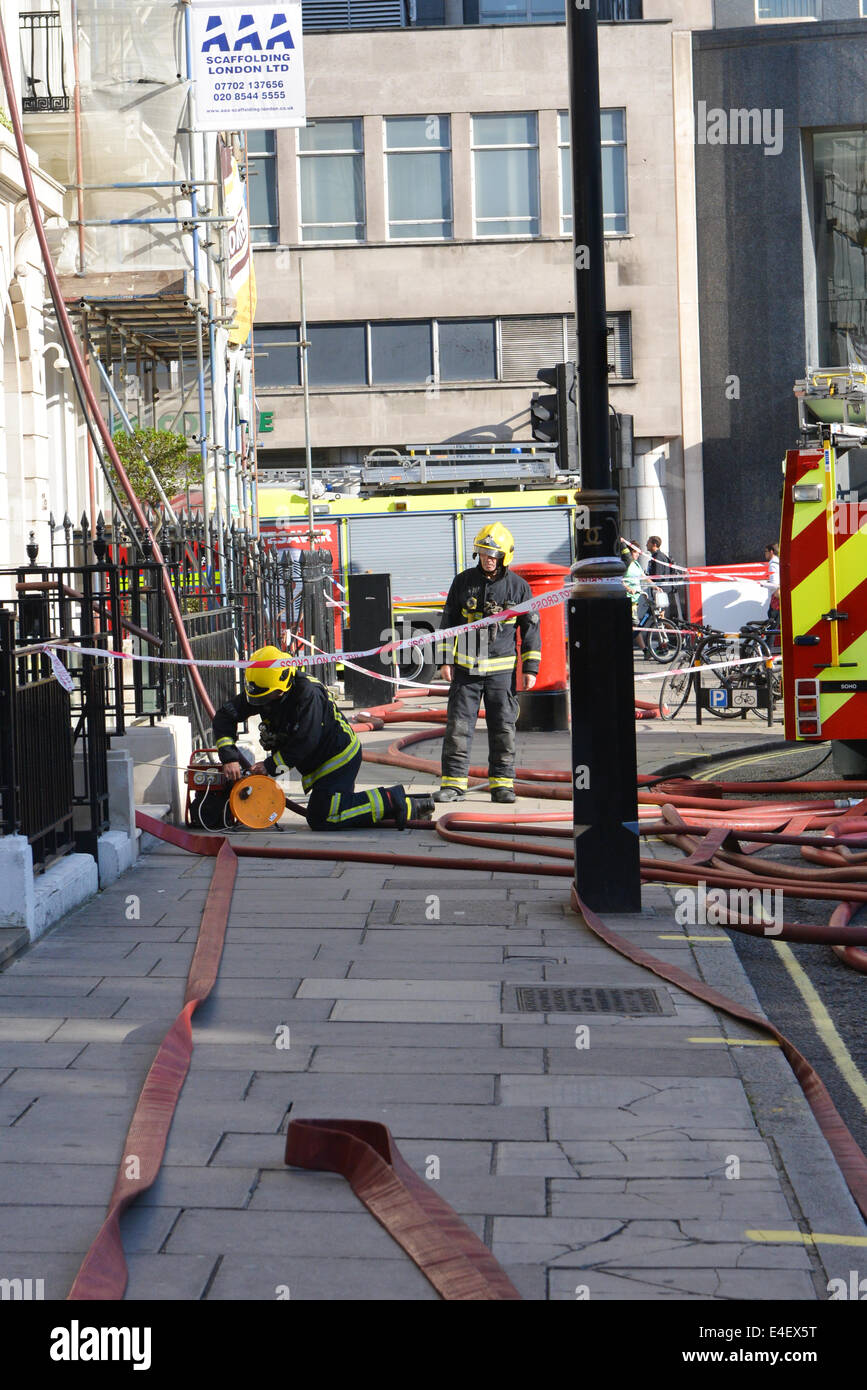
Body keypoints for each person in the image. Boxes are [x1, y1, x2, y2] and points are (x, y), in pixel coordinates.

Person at [213, 645, 434, 830]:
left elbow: (306, 740)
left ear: (285, 684)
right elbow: (224, 716)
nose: (264, 705)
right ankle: (407, 804)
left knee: (322, 817)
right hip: (316, 765)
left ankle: (394, 800)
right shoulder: (265, 686)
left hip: (339, 759)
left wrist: (271, 766)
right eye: (259, 700)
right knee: (335, 810)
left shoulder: (308, 694)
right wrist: (229, 756)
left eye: (270, 698)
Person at [434, 523, 541, 805]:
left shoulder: (519, 587)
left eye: (493, 554)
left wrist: (530, 669)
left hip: (501, 673)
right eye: (483, 552)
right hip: (466, 671)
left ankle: (502, 785)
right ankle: (453, 785)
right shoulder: (462, 581)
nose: (487, 558)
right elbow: (448, 624)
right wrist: (445, 660)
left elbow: (530, 629)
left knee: (503, 729)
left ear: (505, 556)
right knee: (458, 727)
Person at [646, 535, 684, 623]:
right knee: (660, 617)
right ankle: (664, 632)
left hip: (660, 591)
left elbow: (658, 576)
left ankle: (665, 633)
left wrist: (651, 583)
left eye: (648, 542)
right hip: (662, 591)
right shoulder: (658, 556)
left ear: (654, 544)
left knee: (660, 616)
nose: (646, 544)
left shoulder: (658, 557)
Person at [622, 542, 650, 660]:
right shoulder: (626, 564)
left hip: (636, 600)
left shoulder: (637, 564)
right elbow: (619, 579)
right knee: (635, 625)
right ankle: (645, 650)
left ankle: (645, 650)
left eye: (638, 552)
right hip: (628, 599)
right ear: (630, 552)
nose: (638, 554)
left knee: (635, 626)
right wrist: (628, 588)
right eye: (635, 552)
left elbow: (645, 577)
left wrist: (656, 586)